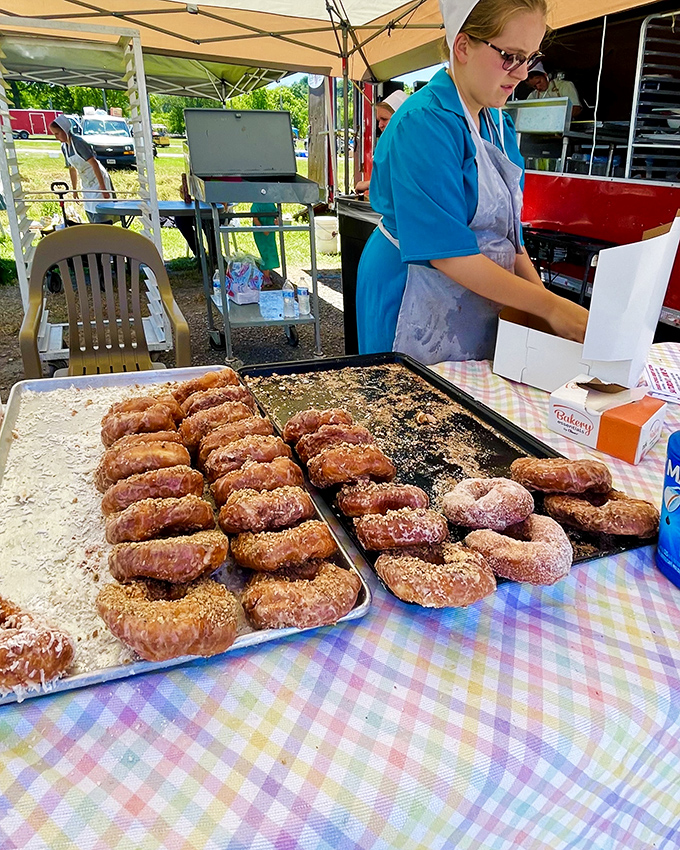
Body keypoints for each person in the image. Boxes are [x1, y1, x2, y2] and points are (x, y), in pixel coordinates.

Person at [354, 0, 589, 363]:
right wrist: (551, 307)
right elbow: (447, 254)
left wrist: (546, 311)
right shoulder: (423, 124)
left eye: (530, 57)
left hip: (479, 293)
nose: (523, 73)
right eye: (511, 56)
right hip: (414, 291)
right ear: (462, 46)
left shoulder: (499, 124)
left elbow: (512, 241)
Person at [48, 115, 115, 224]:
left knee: (101, 213)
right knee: (90, 211)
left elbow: (94, 164)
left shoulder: (78, 143)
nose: (56, 137)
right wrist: (75, 189)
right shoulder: (64, 147)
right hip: (87, 182)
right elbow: (72, 168)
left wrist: (103, 189)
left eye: (57, 133)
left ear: (64, 130)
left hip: (98, 180)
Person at [354, 90, 409, 196]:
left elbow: (400, 179)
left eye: (384, 119)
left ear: (399, 118)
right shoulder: (393, 144)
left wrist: (368, 184)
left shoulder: (408, 146)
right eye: (379, 120)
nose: (380, 125)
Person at [251, 202, 281, 283]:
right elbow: (255, 218)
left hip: (270, 231)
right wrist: (263, 229)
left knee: (271, 250)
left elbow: (276, 215)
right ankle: (266, 277)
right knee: (264, 252)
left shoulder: (271, 203)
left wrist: (276, 222)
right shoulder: (256, 205)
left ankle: (267, 274)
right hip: (260, 232)